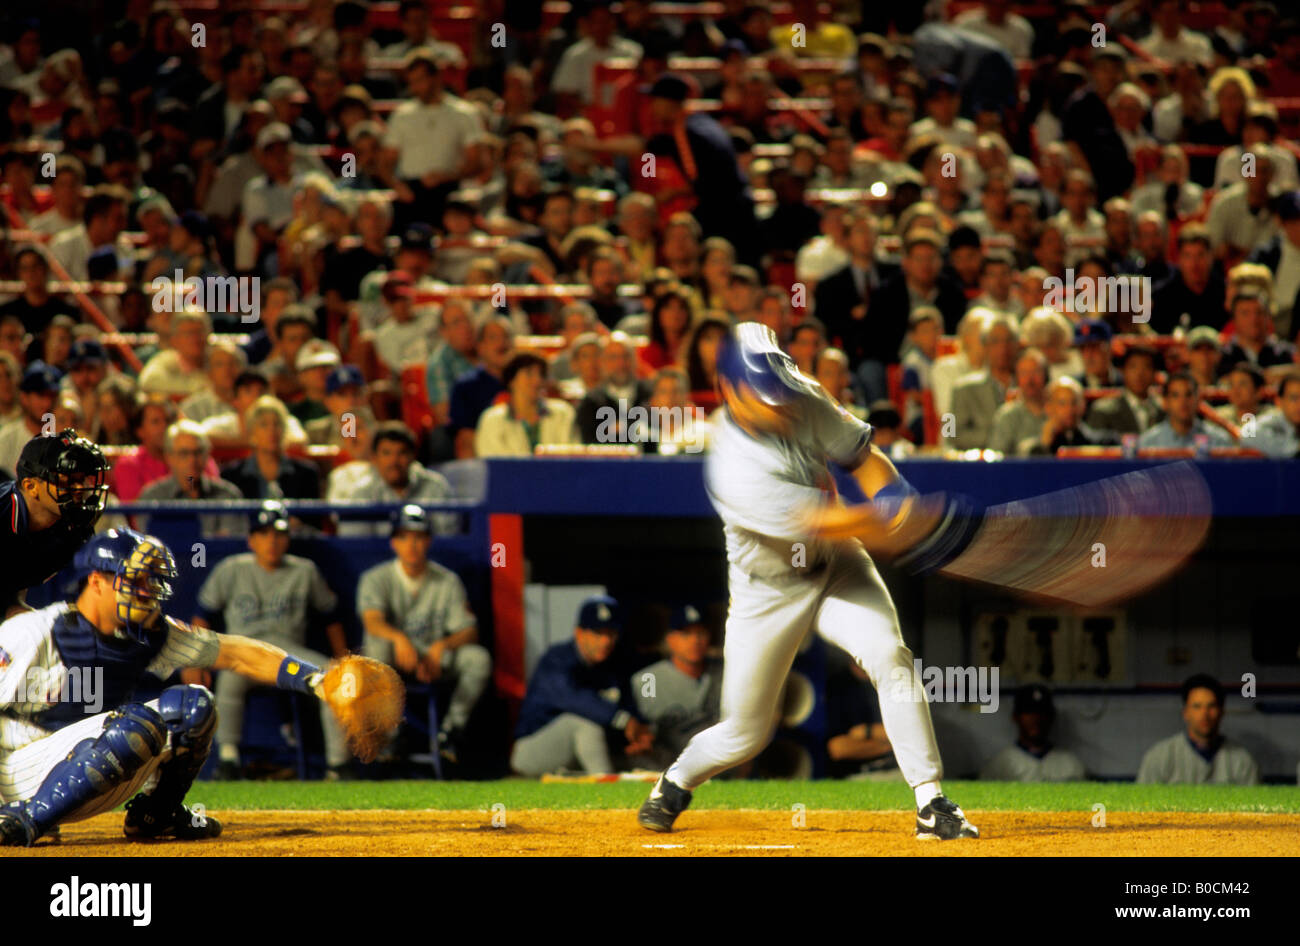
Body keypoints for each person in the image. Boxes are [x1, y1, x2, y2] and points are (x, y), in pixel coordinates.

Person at [637, 323, 980, 840]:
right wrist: (916, 524)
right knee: (746, 733)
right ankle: (676, 780)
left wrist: (899, 497)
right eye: (762, 397)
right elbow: (833, 519)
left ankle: (931, 803)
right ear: (729, 391)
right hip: (768, 591)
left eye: (780, 391)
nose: (779, 406)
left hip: (837, 564)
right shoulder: (733, 468)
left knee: (891, 655)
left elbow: (864, 459)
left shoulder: (800, 393)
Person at [0, 528, 343, 845]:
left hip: (84, 771)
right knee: (138, 725)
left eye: (152, 582)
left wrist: (318, 680)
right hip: (16, 773)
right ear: (97, 581)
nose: (148, 592)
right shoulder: (31, 632)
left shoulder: (148, 634)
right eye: (136, 581)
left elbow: (238, 653)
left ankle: (155, 815)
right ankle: (23, 823)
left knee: (195, 708)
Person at [193, 501, 351, 780]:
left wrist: (344, 660)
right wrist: (196, 658)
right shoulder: (231, 569)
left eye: (278, 534)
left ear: (287, 537)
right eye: (264, 534)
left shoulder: (305, 570)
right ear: (251, 539)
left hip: (289, 655)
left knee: (332, 679)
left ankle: (338, 766)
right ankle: (229, 760)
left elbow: (331, 617)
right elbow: (204, 616)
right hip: (244, 654)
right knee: (229, 680)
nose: (272, 541)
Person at [357, 505, 491, 764]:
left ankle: (450, 732)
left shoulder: (447, 580)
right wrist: (399, 638)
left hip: (434, 658)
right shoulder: (376, 578)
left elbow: (469, 631)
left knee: (477, 658)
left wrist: (442, 645)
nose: (412, 544)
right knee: (378, 648)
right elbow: (372, 623)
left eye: (418, 537)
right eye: (405, 537)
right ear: (394, 542)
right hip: (394, 660)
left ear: (428, 540)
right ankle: (390, 733)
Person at [512, 595, 653, 777]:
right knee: (583, 725)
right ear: (579, 633)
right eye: (597, 633)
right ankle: (607, 787)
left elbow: (628, 708)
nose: (605, 641)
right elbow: (575, 700)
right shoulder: (556, 659)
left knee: (648, 756)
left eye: (611, 633)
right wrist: (624, 721)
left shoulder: (615, 664)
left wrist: (639, 734)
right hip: (533, 752)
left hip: (583, 754)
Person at [0, 429, 107, 616]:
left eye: (81, 479)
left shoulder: (74, 526)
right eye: (68, 480)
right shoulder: (3, 515)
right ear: (31, 486)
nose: (80, 488)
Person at [629, 605, 722, 772]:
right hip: (665, 761)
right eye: (686, 634)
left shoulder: (725, 676)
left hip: (716, 761)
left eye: (700, 633)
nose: (695, 641)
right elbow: (644, 723)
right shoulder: (648, 679)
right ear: (670, 639)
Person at [332, 421, 456, 537]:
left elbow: (448, 536)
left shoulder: (436, 487)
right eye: (386, 453)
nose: (394, 461)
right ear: (374, 458)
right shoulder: (361, 493)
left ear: (413, 456)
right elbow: (355, 543)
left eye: (401, 453)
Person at [1136, 674, 1260, 784]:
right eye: (1197, 706)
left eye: (1211, 706)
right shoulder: (1160, 757)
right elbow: (1140, 805)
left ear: (1221, 712)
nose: (1204, 714)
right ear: (1185, 713)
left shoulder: (1242, 760)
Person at [135, 420, 245, 536]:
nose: (192, 460)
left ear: (207, 455)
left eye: (198, 452)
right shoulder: (152, 497)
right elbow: (152, 541)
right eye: (184, 453)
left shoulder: (228, 495)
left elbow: (232, 540)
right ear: (169, 457)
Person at [219, 396, 321, 501]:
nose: (271, 430)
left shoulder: (307, 474)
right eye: (264, 424)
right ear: (252, 432)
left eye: (277, 424)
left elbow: (314, 516)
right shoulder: (231, 475)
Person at [475, 353, 578, 457]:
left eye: (541, 374)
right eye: (529, 373)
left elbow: (571, 456)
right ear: (511, 380)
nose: (537, 380)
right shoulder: (492, 420)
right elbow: (493, 463)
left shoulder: (563, 413)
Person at [980, 685, 1087, 781]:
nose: (1036, 718)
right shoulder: (999, 766)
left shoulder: (1072, 765)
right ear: (1016, 717)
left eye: (1042, 712)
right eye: (1028, 712)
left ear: (1051, 717)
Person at [946, 314, 1019, 450]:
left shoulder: (1029, 384)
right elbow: (949, 433)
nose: (1003, 348)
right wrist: (997, 437)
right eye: (995, 341)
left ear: (1017, 345)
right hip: (978, 463)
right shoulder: (962, 388)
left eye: (1008, 341)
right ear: (985, 346)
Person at [1138, 372, 1235, 449]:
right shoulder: (1147, 443)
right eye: (1175, 395)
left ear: (1198, 399)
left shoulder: (1219, 440)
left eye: (1188, 394)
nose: (1183, 401)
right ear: (1165, 402)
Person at [1086, 346, 1165, 436]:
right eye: (1133, 367)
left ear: (1155, 373)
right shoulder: (1103, 410)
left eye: (1146, 367)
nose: (1139, 373)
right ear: (1123, 371)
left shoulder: (1164, 410)